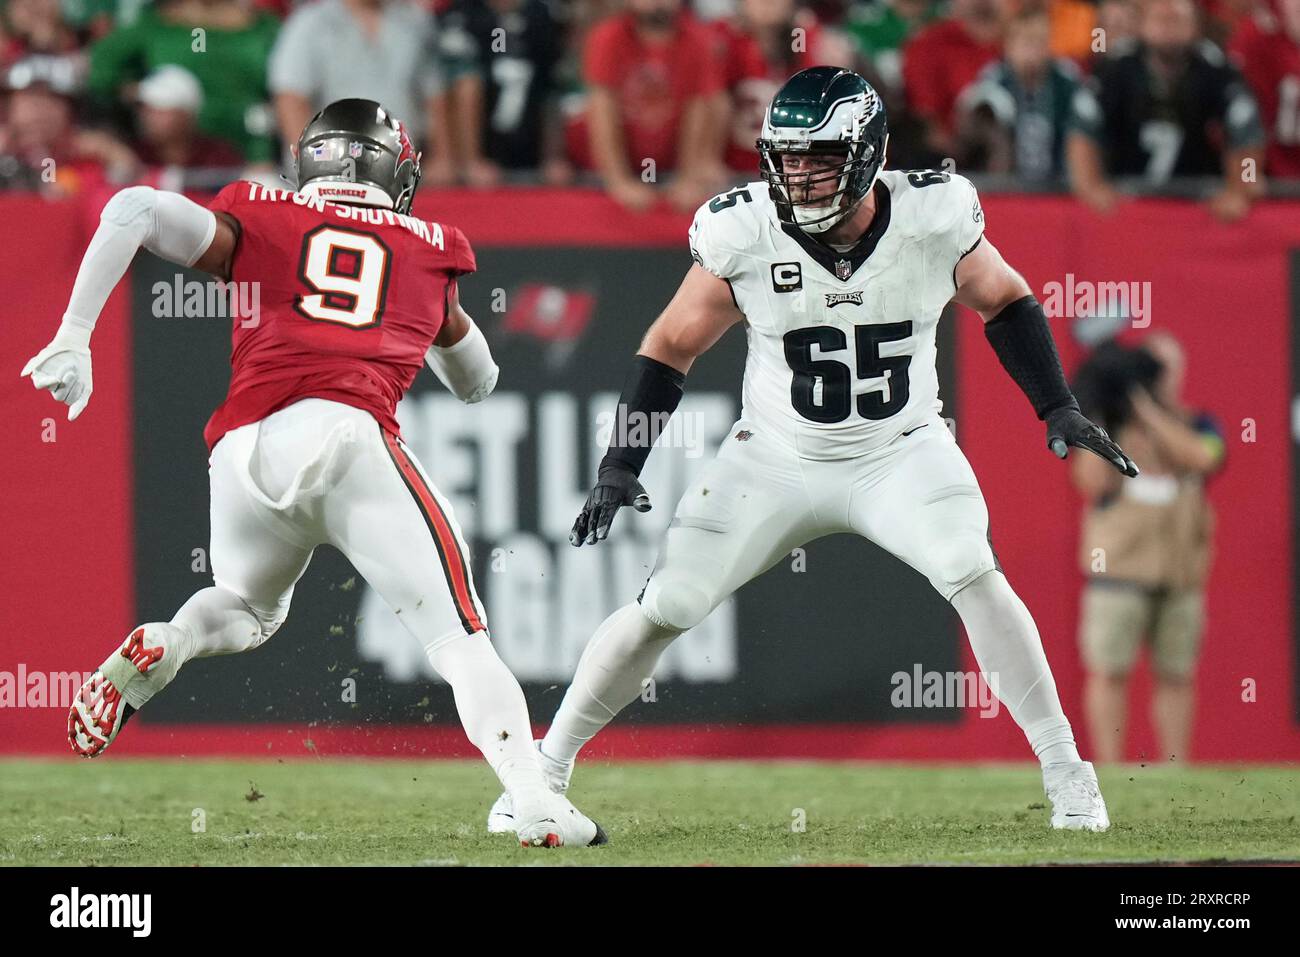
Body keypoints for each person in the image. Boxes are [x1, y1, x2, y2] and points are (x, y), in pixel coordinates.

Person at [486, 67, 1138, 836]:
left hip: (901, 450)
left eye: (819, 156)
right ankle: (538, 775)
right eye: (786, 158)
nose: (798, 174)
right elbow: (670, 344)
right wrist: (620, 463)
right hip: (774, 459)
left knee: (969, 567)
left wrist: (1056, 403)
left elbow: (1006, 298)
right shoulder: (746, 229)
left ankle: (1068, 773)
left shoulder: (931, 215)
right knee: (670, 602)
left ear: (868, 153)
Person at [21, 98, 604, 849]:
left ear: (310, 163)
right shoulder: (429, 246)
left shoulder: (263, 212)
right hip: (347, 435)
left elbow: (132, 205)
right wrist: (432, 325)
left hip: (244, 446)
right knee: (459, 639)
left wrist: (74, 335)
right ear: (397, 172)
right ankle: (535, 801)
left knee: (248, 606)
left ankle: (169, 640)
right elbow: (476, 378)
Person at [1070, 333, 1224, 763]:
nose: (1159, 377)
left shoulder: (1201, 424)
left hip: (1180, 574)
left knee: (1177, 674)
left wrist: (1149, 414)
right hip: (1117, 573)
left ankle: (1175, 768)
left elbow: (1204, 458)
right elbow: (1090, 482)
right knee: (1109, 671)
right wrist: (1107, 420)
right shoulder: (1109, 428)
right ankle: (1111, 769)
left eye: (1166, 368)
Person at [1066, 0, 1265, 221]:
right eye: (1160, 19)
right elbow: (1083, 128)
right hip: (1126, 203)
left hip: (1198, 206)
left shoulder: (1215, 67)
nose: (1168, 28)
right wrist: (1090, 184)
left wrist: (1243, 186)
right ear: (1141, 24)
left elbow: (1247, 133)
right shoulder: (1116, 67)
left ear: (1196, 25)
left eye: (1177, 19)